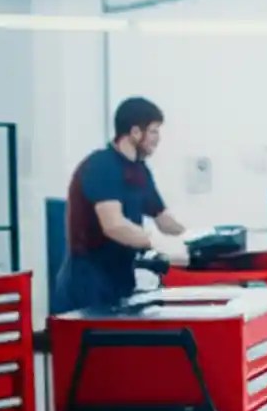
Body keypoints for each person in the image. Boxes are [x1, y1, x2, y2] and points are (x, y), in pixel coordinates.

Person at [54, 97, 186, 313]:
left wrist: (194, 240)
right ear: (135, 132)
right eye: (153, 131)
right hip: (88, 282)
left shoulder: (139, 170)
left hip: (120, 278)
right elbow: (114, 225)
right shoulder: (101, 166)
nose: (157, 139)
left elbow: (163, 220)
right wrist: (156, 243)